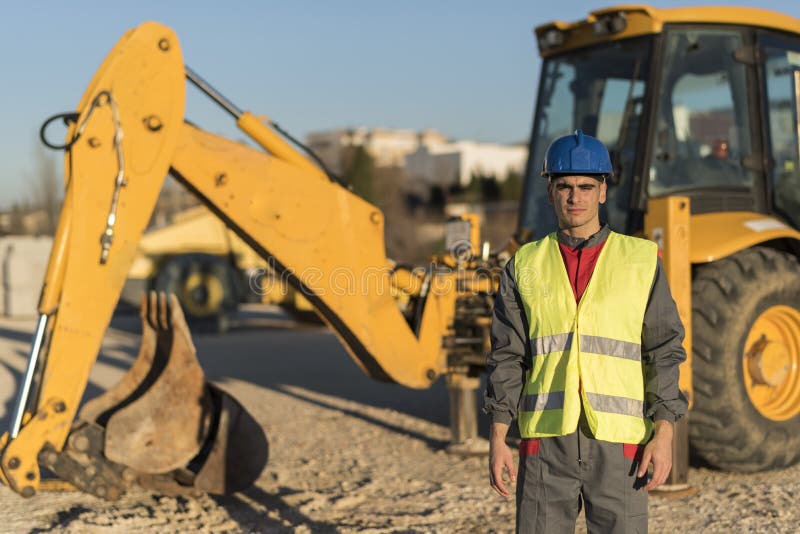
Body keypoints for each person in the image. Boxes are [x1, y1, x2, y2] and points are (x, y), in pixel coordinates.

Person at [483, 130, 688, 533]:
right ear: (550, 191)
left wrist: (663, 434)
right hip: (546, 445)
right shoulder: (525, 264)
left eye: (585, 186)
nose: (574, 197)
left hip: (619, 445)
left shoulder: (641, 261)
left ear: (603, 192)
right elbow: (507, 356)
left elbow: (663, 351)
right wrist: (498, 437)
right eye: (564, 187)